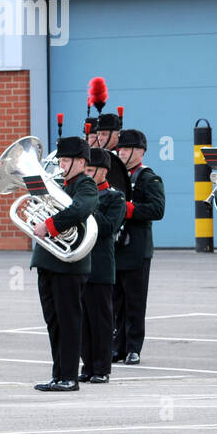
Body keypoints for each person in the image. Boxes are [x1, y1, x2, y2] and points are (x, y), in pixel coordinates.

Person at [29, 133, 98, 392]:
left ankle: (69, 376)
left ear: (81, 162)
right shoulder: (59, 185)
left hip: (69, 266)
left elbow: (82, 209)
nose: (61, 165)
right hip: (48, 261)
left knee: (69, 322)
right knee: (54, 322)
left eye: (66, 160)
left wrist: (50, 224)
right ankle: (58, 375)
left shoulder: (85, 185)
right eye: (61, 160)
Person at [113, 127, 165, 365]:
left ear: (139, 151)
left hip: (137, 248)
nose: (120, 152)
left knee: (135, 300)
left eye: (124, 148)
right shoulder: (116, 176)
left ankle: (134, 347)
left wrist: (130, 209)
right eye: (119, 148)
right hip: (117, 246)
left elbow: (157, 209)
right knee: (117, 301)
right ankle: (118, 347)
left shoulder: (148, 177)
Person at [80, 148, 126, 383]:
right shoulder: (79, 194)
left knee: (101, 320)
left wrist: (86, 206)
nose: (85, 174)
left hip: (100, 266)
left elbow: (109, 227)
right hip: (79, 265)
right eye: (84, 169)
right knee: (83, 321)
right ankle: (87, 365)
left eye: (89, 170)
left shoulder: (114, 197)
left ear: (103, 172)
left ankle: (102, 368)